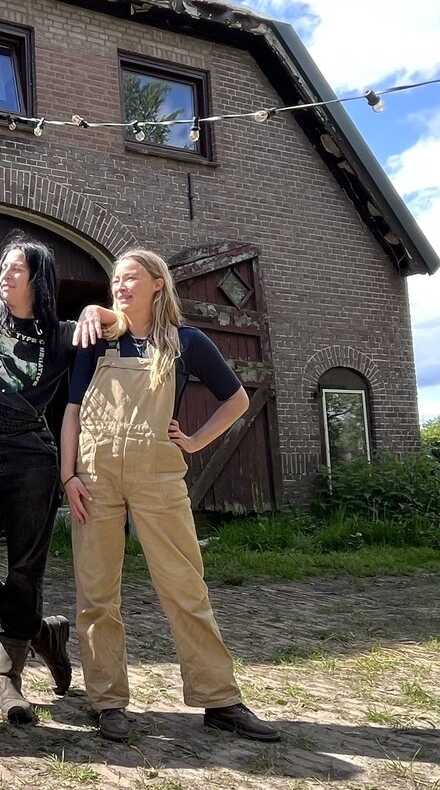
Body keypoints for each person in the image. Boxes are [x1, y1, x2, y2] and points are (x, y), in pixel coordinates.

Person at [59, 249, 280, 744]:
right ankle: (108, 701)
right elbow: (72, 409)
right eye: (116, 279)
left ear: (158, 284)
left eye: (131, 277)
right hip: (95, 477)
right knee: (96, 594)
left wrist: (197, 440)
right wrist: (67, 474)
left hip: (158, 475)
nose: (121, 285)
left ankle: (219, 699)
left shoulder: (188, 342)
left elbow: (238, 399)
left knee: (185, 587)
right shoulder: (96, 340)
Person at [0, 235, 110, 724]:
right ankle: (44, 631)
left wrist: (96, 312)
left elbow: (124, 327)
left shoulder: (62, 337)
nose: (5, 275)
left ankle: (9, 682)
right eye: (3, 267)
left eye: (16, 268)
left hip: (32, 458)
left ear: (38, 279)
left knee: (25, 570)